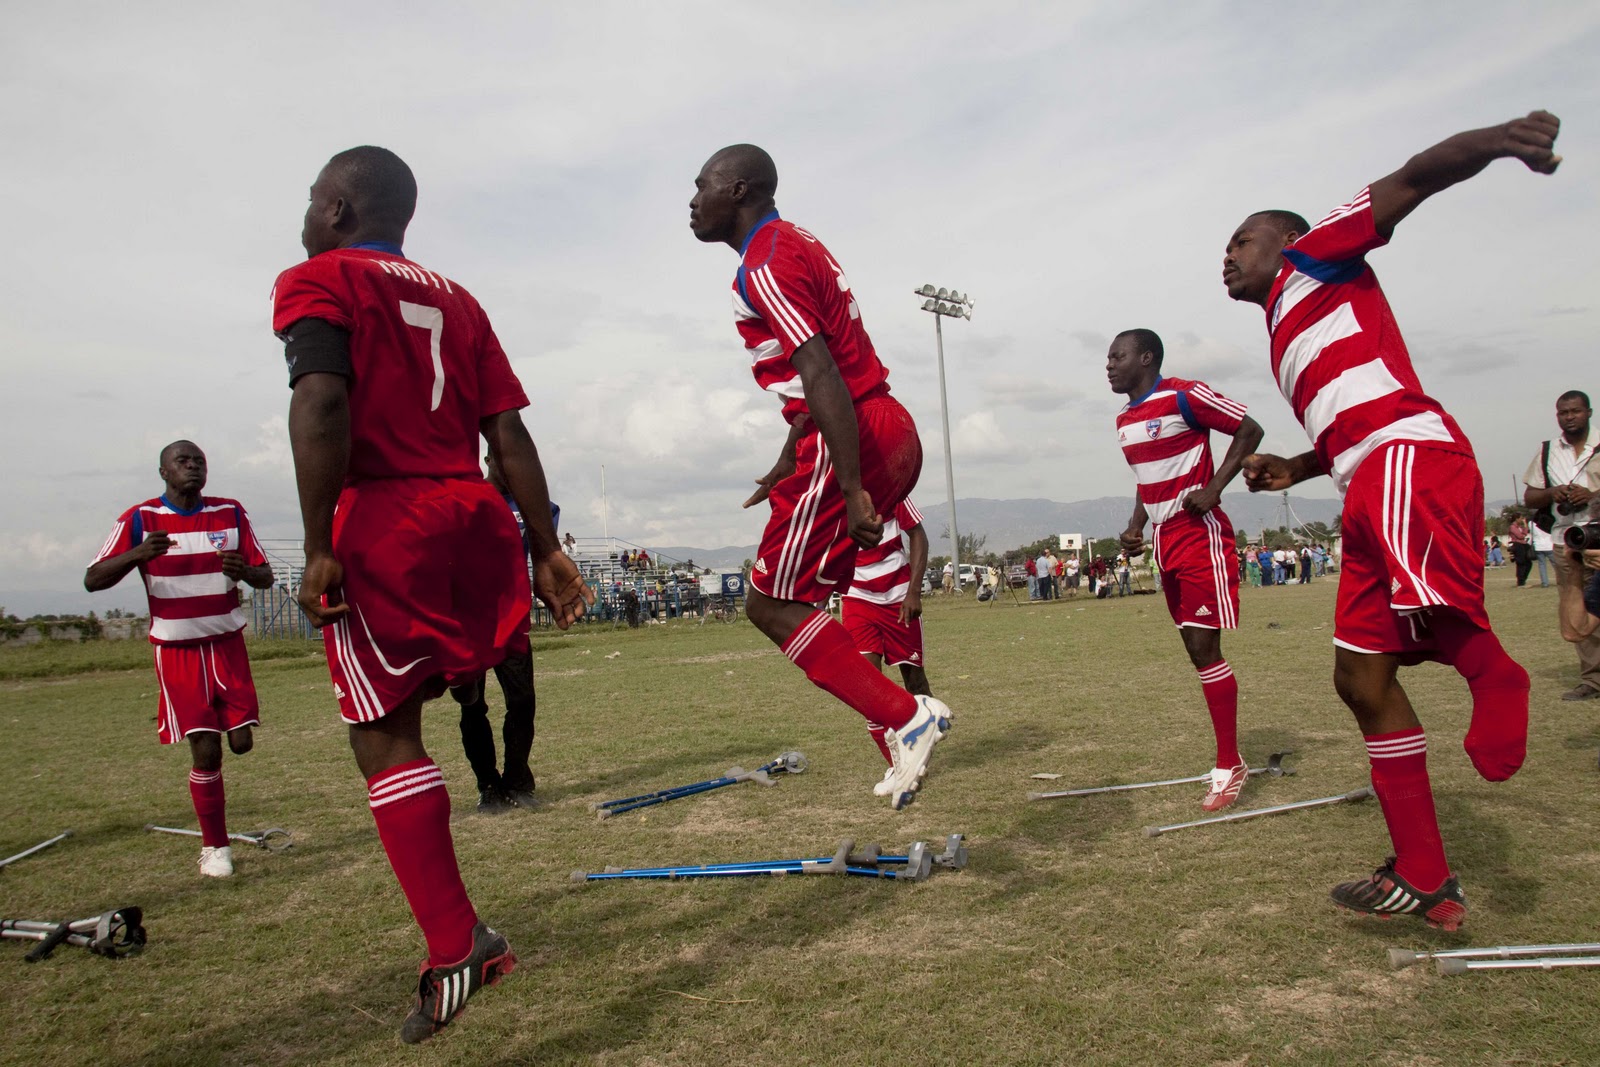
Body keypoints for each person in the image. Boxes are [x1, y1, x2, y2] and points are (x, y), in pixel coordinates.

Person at [274, 146, 593, 1042]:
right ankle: (462, 933)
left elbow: (323, 404)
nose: (304, 215)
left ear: (337, 207)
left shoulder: (318, 277)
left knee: (383, 731)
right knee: (423, 712)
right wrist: (546, 547)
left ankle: (461, 943)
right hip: (474, 516)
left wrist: (314, 543)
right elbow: (510, 434)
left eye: (311, 200)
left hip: (388, 519)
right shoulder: (460, 297)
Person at [1228, 109, 1553, 929]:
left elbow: (1411, 177)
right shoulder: (1286, 324)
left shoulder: (1315, 254)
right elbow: (1349, 415)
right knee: (1360, 679)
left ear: (1283, 239)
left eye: (1240, 240)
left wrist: (1497, 141)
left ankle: (1496, 674)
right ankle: (1426, 875)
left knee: (1440, 618)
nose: (1226, 256)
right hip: (1365, 476)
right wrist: (1298, 466)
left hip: (1411, 458)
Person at [691, 143, 950, 811]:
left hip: (856, 432)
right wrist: (788, 456)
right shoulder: (798, 243)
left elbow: (820, 372)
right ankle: (903, 719)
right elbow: (819, 372)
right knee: (799, 600)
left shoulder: (765, 260)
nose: (692, 203)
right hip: (884, 424)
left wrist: (851, 479)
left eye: (702, 187)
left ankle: (906, 713)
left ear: (739, 188)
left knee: (768, 604)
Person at [85, 441, 274, 878]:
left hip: (228, 646)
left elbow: (263, 575)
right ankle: (215, 848)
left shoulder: (230, 512)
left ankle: (232, 742)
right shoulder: (140, 519)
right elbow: (93, 579)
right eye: (182, 462)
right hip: (177, 651)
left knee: (241, 743)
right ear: (163, 472)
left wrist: (243, 572)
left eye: (199, 461)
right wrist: (138, 554)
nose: (192, 467)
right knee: (206, 751)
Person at [1110, 329, 1265, 810]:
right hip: (1164, 540)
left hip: (1199, 533)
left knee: (1204, 645)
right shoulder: (1124, 419)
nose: (1110, 365)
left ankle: (1229, 762)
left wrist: (1216, 487)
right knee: (1194, 650)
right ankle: (1227, 758)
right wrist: (1136, 526)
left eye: (1118, 356)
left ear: (1146, 357)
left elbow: (1249, 428)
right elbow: (1146, 479)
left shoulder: (1183, 395)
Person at [449, 452, 547, 814]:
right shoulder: (461, 497)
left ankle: (518, 779)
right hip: (466, 622)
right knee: (472, 704)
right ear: (488, 458)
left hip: (512, 620)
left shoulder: (532, 505)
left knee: (522, 702)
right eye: (503, 459)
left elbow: (543, 550)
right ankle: (487, 784)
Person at [841, 497, 936, 782]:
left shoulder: (893, 490)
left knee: (915, 683)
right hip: (857, 598)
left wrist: (914, 592)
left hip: (898, 598)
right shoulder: (834, 499)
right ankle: (898, 765)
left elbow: (918, 535)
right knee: (867, 685)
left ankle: (924, 743)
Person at [1523, 390, 1600, 699]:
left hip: (1598, 534)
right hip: (1566, 540)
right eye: (1563, 413)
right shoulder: (1547, 451)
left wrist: (1592, 495)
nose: (1569, 417)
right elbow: (1530, 497)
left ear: (1589, 412)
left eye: (1575, 411)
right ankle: (1593, 680)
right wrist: (1552, 492)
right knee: (1577, 607)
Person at [1508, 515, 1532, 586]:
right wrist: (1524, 534)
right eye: (1521, 518)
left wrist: (1525, 525)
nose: (1522, 520)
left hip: (1523, 544)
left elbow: (1526, 531)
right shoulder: (1512, 527)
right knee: (1521, 563)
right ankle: (1520, 581)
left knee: (1529, 563)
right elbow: (1520, 536)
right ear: (1516, 519)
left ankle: (1524, 578)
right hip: (1517, 545)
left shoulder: (1520, 527)